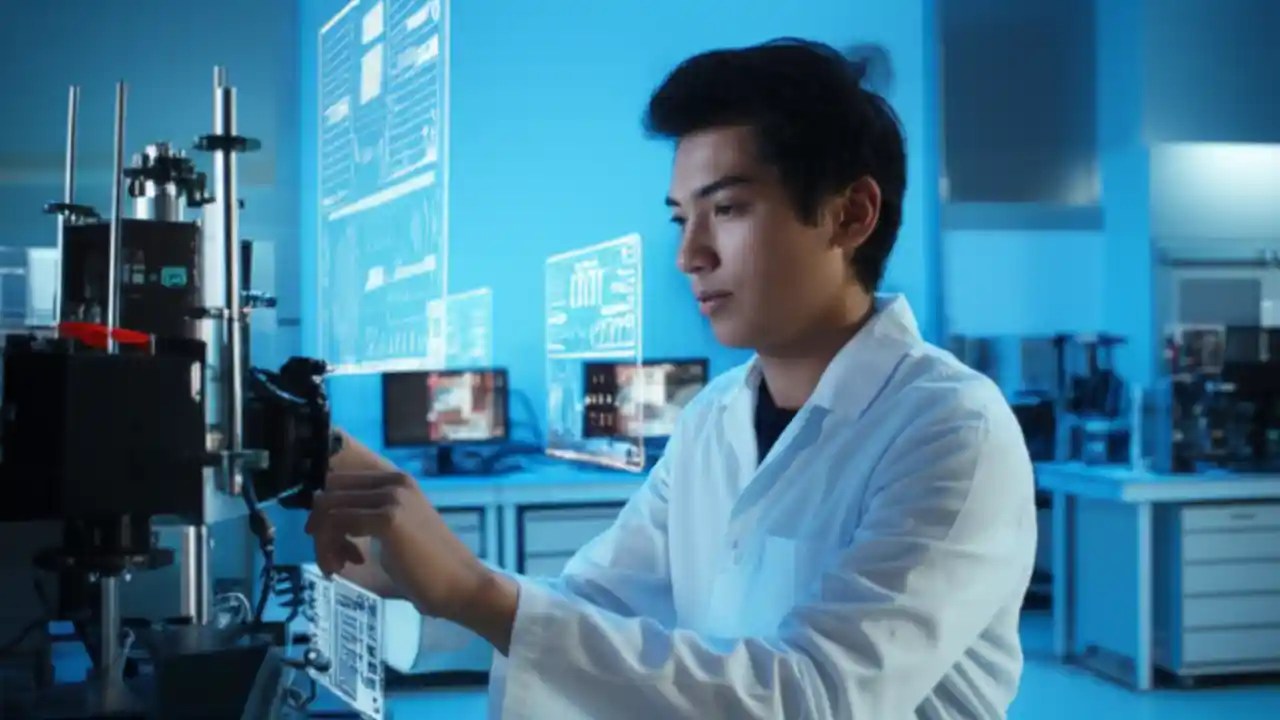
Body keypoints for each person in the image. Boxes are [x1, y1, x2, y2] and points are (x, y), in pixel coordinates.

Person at [308, 37, 1037, 719]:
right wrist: (408, 575)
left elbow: (816, 693)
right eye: (680, 218)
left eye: (727, 209)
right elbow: (599, 605)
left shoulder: (951, 431)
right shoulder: (714, 419)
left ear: (850, 215)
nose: (690, 254)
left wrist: (474, 592)